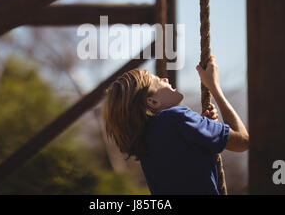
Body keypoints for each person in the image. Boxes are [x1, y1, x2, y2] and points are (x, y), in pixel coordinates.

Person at [103, 56, 249, 194]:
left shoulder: (145, 137)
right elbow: (242, 141)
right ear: (153, 102)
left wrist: (202, 126)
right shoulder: (177, 118)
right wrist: (214, 87)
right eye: (159, 81)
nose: (165, 79)